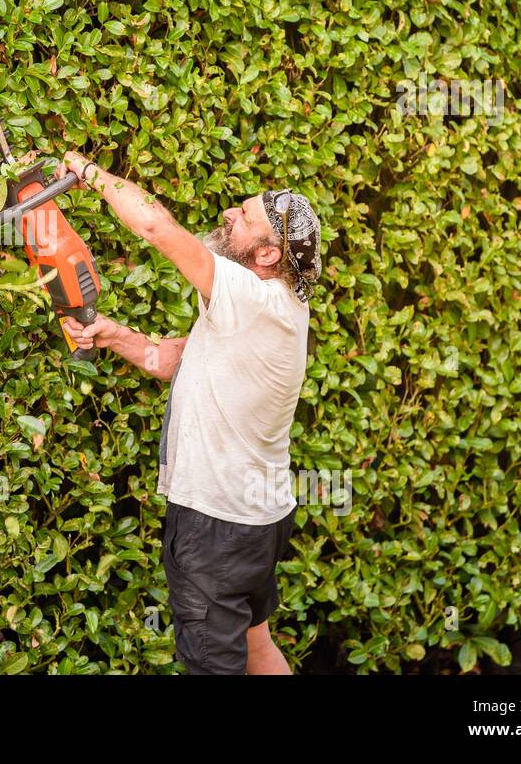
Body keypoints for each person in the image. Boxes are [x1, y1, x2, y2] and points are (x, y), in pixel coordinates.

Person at [53, 151, 323, 674]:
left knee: (213, 666)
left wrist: (88, 174)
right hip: (259, 519)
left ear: (268, 254)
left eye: (244, 219)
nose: (229, 215)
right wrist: (116, 337)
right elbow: (178, 358)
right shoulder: (278, 303)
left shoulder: (250, 295)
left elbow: (156, 225)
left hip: (217, 523)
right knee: (258, 646)